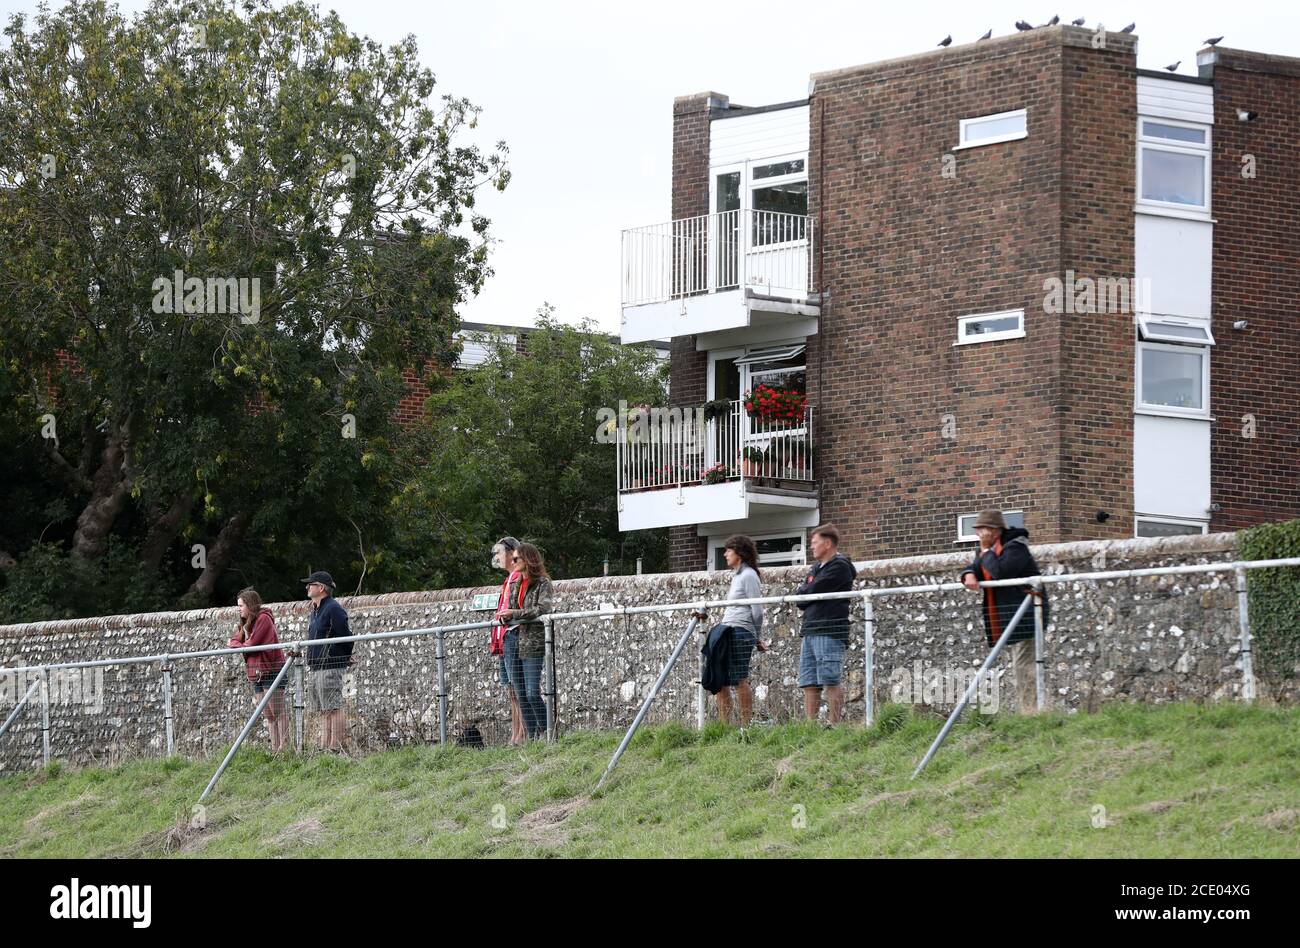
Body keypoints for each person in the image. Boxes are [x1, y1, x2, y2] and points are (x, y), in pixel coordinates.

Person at [959, 510, 1049, 714]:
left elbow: (1001, 572)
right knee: (1022, 664)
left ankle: (1031, 713)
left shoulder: (1016, 547)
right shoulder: (989, 550)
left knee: (1024, 665)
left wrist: (984, 550)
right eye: (978, 530)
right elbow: (975, 566)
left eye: (983, 530)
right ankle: (1032, 709)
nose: (979, 534)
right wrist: (968, 574)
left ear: (995, 530)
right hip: (1008, 616)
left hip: (1025, 615)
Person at [699, 535, 768, 726]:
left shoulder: (749, 575)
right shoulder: (737, 575)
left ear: (740, 552)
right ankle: (724, 727)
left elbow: (757, 610)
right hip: (726, 630)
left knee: (739, 679)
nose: (725, 554)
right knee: (719, 680)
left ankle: (745, 726)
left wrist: (756, 638)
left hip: (741, 631)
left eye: (729, 550)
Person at [796, 524, 856, 724]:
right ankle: (810, 725)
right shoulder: (815, 568)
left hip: (829, 629)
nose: (811, 547)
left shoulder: (840, 566)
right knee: (809, 681)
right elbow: (801, 598)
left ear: (828, 543)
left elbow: (811, 591)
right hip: (810, 629)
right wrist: (807, 592)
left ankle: (833, 724)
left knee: (830, 678)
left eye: (814, 542)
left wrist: (807, 592)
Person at [498, 542, 553, 740]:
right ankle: (533, 736)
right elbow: (512, 609)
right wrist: (506, 616)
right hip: (513, 639)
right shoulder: (515, 583)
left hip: (533, 641)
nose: (513, 562)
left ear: (527, 559)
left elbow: (542, 609)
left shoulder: (542, 583)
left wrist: (515, 613)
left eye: (516, 559)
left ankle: (548, 731)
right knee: (520, 693)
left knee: (531, 692)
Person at [228, 587, 288, 752]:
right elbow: (233, 642)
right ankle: (275, 749)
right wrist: (242, 644)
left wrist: (243, 644)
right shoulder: (246, 622)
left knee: (277, 711)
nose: (239, 609)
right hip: (255, 673)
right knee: (268, 715)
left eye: (241, 606)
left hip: (271, 670)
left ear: (250, 605)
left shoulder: (263, 619)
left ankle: (285, 749)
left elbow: (251, 645)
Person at [300, 570, 353, 753]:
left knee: (333, 707)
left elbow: (346, 636)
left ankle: (335, 748)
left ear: (321, 588)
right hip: (316, 666)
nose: (307, 587)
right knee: (323, 709)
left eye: (311, 584)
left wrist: (343, 657)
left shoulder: (333, 608)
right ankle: (324, 747)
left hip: (330, 665)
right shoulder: (316, 609)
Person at [490, 536, 526, 746]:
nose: (497, 557)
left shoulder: (518, 577)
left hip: (512, 635)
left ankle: (521, 735)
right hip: (503, 638)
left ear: (512, 553)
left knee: (517, 687)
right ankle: (515, 734)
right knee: (511, 690)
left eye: (499, 553)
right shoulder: (509, 579)